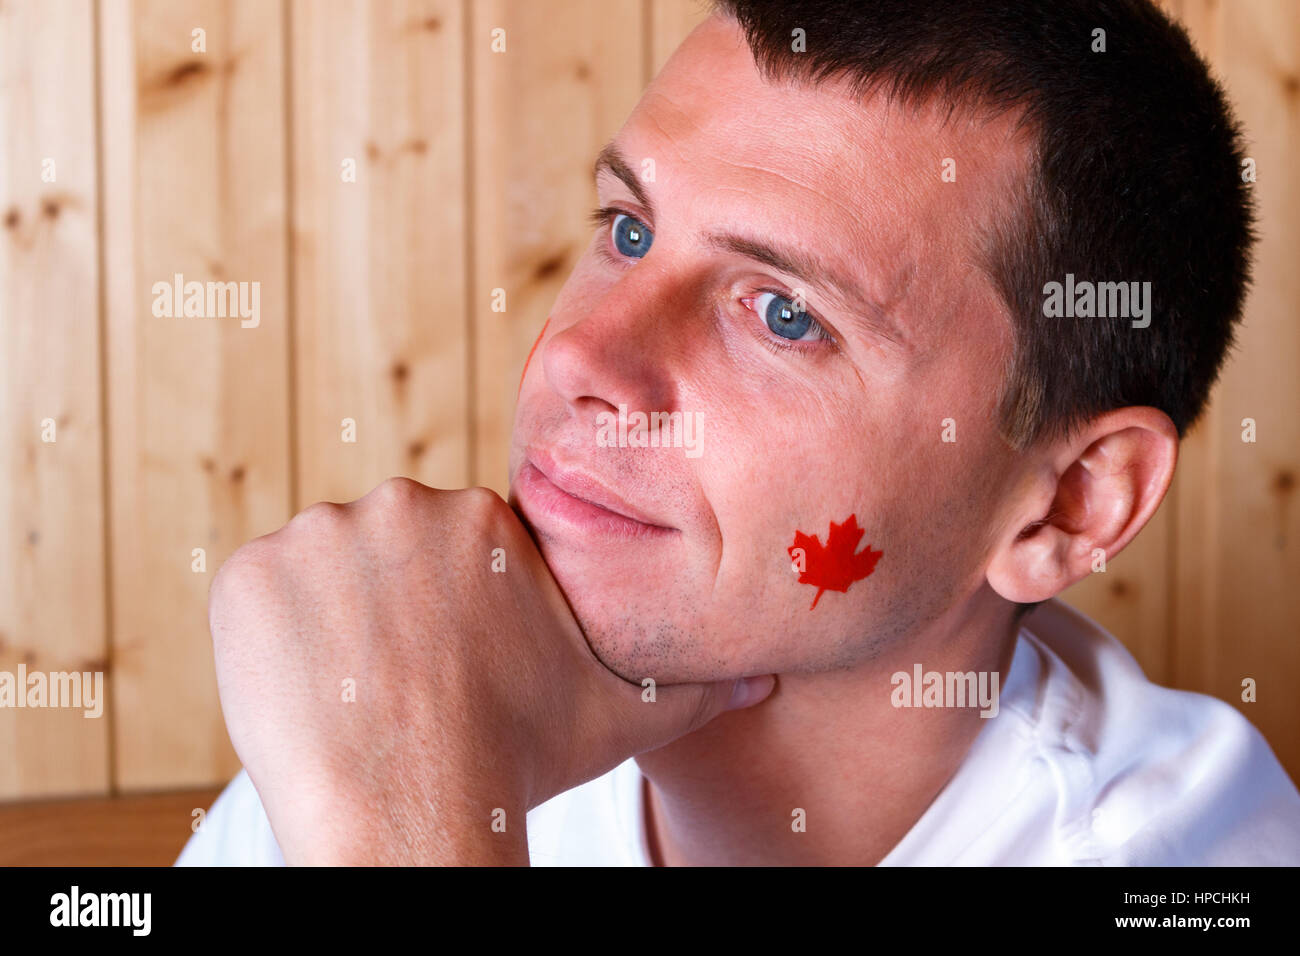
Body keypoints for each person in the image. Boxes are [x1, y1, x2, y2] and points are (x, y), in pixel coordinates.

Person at [178, 0, 1300, 866]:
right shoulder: (412, 679)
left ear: (1070, 503)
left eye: (783, 312)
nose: (579, 358)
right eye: (626, 230)